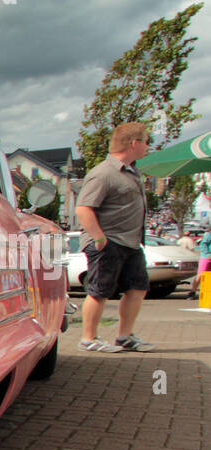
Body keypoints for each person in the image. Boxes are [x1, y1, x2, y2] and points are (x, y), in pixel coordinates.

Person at [75, 123, 154, 352]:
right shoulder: (104, 173)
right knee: (100, 290)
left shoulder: (132, 172)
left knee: (138, 287)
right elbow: (83, 208)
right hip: (109, 241)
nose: (148, 147)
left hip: (131, 242)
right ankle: (88, 338)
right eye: (146, 141)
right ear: (134, 143)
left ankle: (125, 336)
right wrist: (100, 239)